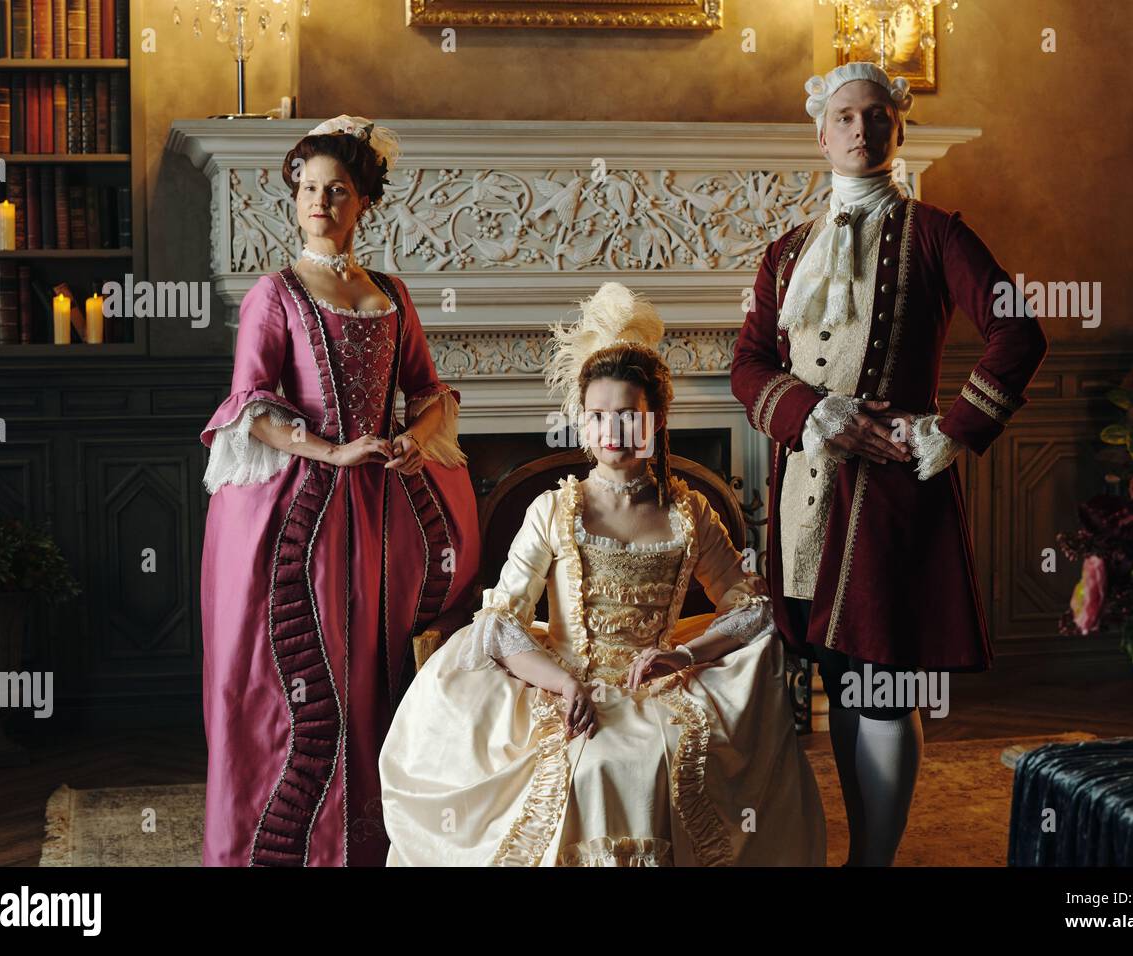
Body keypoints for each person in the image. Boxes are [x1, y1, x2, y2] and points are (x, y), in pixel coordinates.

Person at [379, 282, 825, 866]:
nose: (611, 430)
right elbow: (500, 620)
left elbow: (749, 608)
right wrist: (563, 684)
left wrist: (684, 658)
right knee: (586, 757)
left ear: (656, 420)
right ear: (582, 424)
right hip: (565, 680)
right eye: (596, 416)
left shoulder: (689, 512)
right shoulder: (555, 509)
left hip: (658, 686)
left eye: (627, 416)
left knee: (657, 753)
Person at [730, 63, 1049, 866]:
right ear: (821, 133)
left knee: (886, 680)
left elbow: (1019, 330)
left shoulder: (938, 233)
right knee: (842, 674)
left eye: (876, 117)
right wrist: (815, 412)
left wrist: (953, 429)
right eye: (844, 117)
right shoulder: (783, 254)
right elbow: (748, 364)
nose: (861, 131)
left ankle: (875, 858)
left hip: (894, 495)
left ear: (898, 130)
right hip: (808, 493)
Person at [198, 115, 480, 866]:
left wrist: (413, 441)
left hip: (383, 513)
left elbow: (428, 390)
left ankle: (385, 845)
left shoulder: (390, 292)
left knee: (381, 671)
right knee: (309, 680)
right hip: (305, 510)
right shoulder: (274, 293)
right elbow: (250, 408)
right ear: (295, 199)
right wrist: (333, 449)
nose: (320, 201)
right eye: (310, 189)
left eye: (338, 191)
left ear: (363, 204)